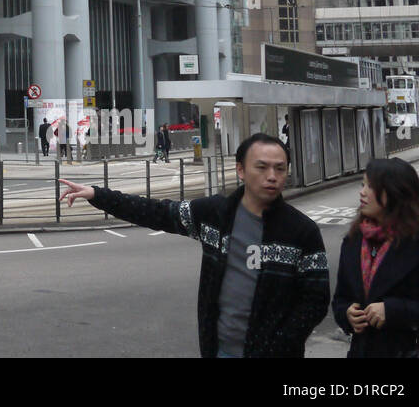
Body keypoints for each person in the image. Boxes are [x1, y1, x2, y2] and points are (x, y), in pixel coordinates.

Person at [59, 133, 329, 358]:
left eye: (280, 168)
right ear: (240, 169)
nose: (272, 176)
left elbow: (315, 300)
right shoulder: (215, 214)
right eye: (262, 167)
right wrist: (98, 195)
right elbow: (158, 212)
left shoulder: (301, 231)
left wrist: (280, 343)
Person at [331, 157, 419, 357]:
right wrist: (346, 314)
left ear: (394, 192)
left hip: (409, 352)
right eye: (363, 185)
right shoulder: (353, 241)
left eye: (371, 187)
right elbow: (340, 299)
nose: (362, 192)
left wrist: (394, 311)